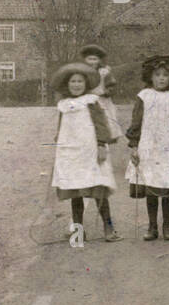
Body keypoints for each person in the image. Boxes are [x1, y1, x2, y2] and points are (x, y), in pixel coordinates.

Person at [50, 61, 122, 242]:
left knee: (98, 189)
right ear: (67, 85)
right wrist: (59, 140)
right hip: (72, 154)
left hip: (91, 152)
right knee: (76, 192)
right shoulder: (64, 105)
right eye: (72, 82)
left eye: (80, 82)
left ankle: (109, 228)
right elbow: (62, 127)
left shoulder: (91, 102)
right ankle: (78, 231)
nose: (76, 85)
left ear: (86, 84)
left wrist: (100, 145)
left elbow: (101, 125)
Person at [124, 55, 169, 241]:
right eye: (157, 75)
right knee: (151, 186)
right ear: (150, 77)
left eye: (165, 75)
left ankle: (167, 225)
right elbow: (136, 123)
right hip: (149, 147)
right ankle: (152, 226)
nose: (161, 78)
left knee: (168, 184)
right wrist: (134, 147)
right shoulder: (144, 96)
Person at [79, 44, 123, 142]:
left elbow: (112, 86)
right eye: (89, 59)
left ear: (99, 60)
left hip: (101, 100)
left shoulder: (104, 72)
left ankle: (104, 141)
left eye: (95, 59)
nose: (92, 62)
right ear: (85, 60)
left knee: (104, 122)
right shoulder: (82, 72)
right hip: (86, 101)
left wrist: (105, 92)